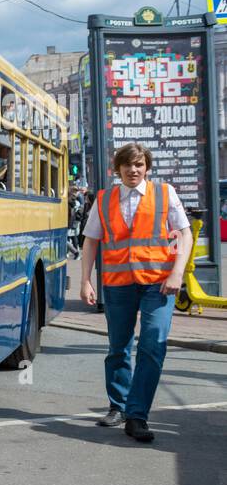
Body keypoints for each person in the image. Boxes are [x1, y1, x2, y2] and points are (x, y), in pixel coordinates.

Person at [79, 143, 192, 443]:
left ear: (147, 168)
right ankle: (118, 406)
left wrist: (177, 273)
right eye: (127, 165)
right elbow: (91, 241)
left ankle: (137, 414)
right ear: (117, 169)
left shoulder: (165, 193)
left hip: (159, 284)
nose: (133, 170)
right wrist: (85, 281)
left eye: (139, 164)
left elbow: (185, 233)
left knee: (153, 345)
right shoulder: (103, 200)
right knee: (119, 347)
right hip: (118, 284)